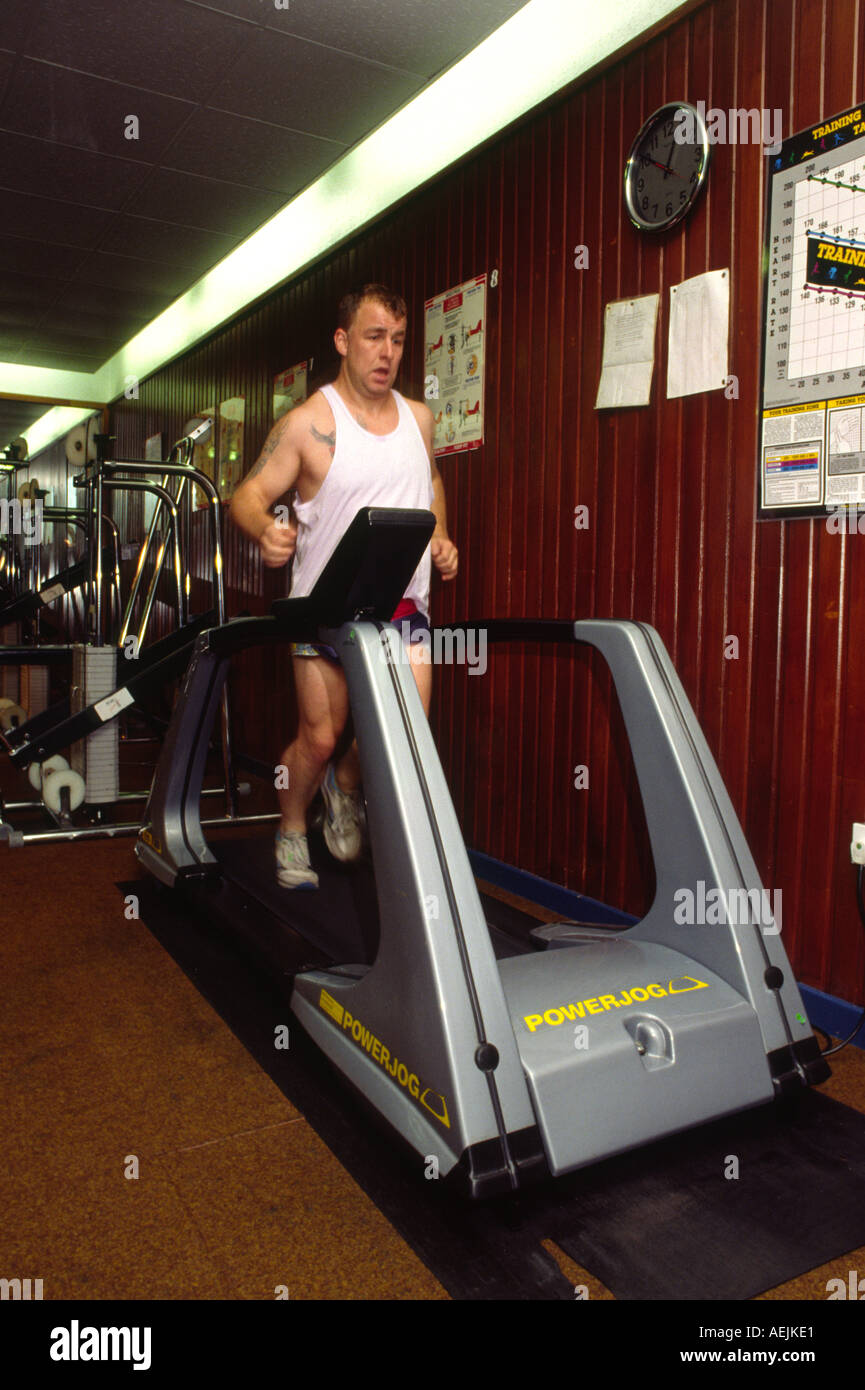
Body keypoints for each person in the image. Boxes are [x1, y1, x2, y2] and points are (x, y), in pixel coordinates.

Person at [230, 284, 458, 888]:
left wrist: (442, 538)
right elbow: (248, 495)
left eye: (399, 340)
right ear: (343, 340)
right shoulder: (308, 424)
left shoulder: (420, 418)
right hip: (324, 608)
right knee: (321, 737)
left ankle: (347, 784)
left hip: (404, 604)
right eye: (374, 336)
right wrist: (266, 530)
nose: (388, 352)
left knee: (405, 731)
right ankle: (292, 826)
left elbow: (431, 480)